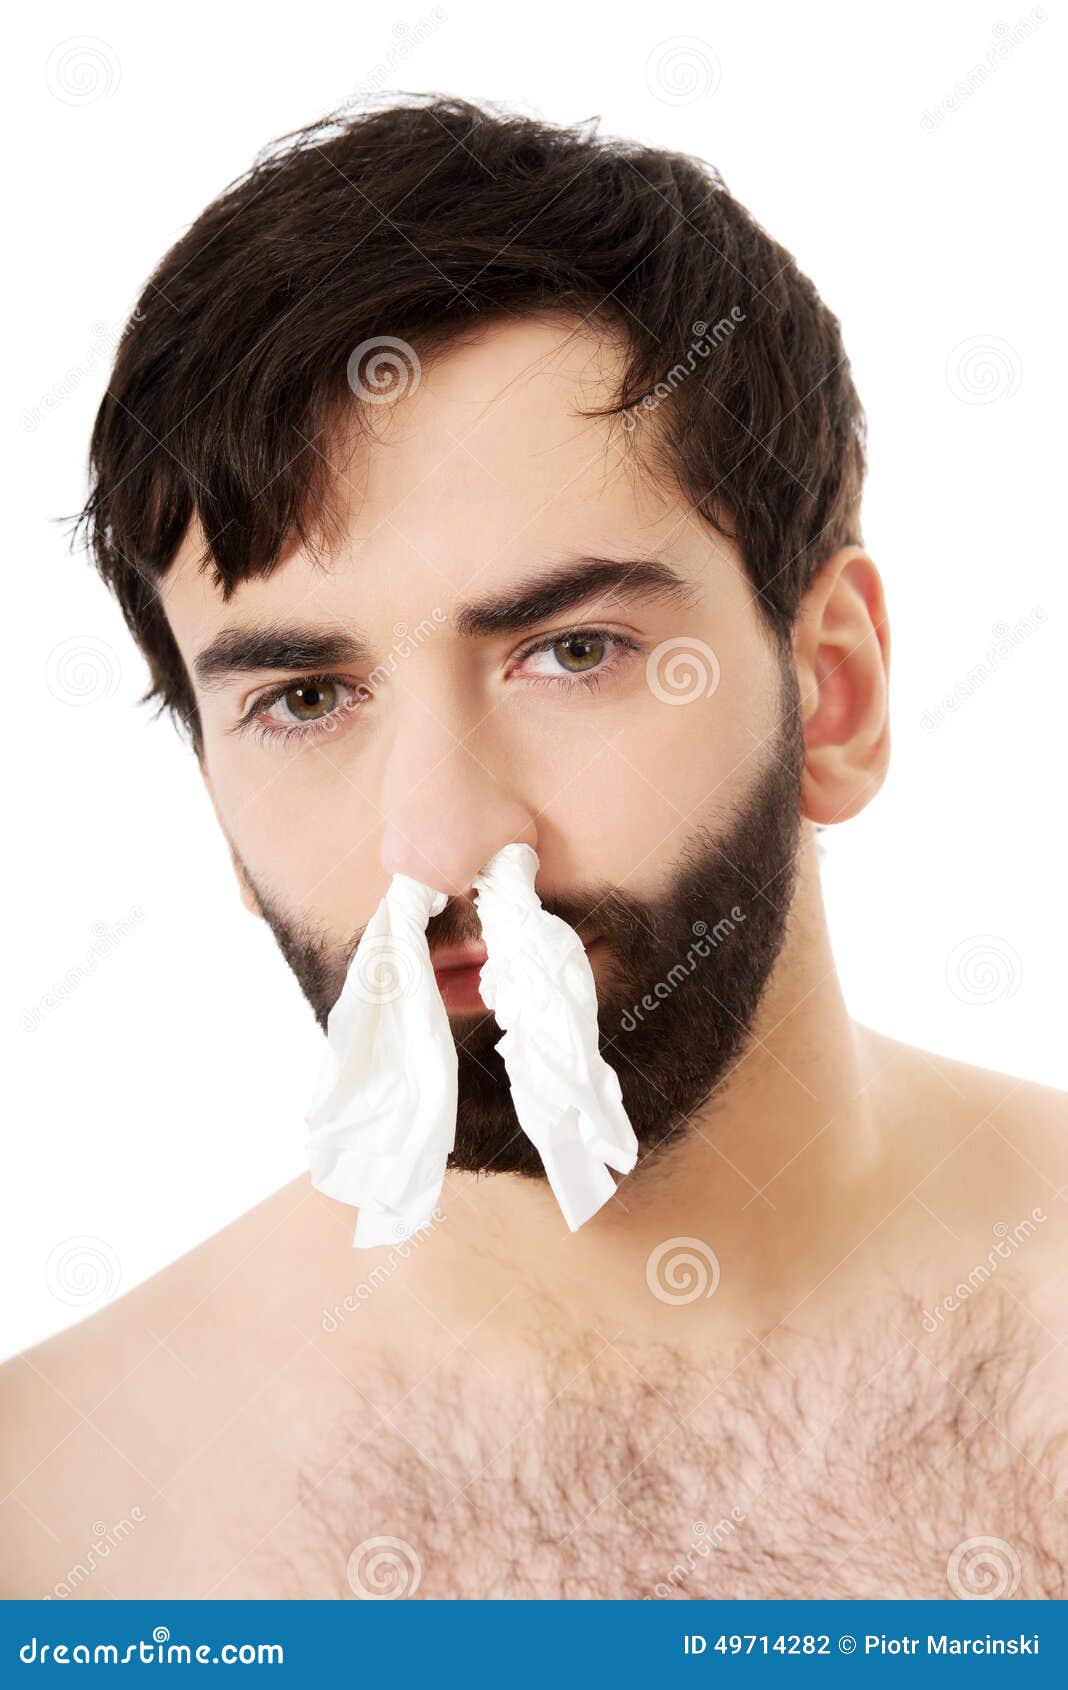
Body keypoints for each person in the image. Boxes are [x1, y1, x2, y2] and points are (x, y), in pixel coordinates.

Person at [3, 96, 1065, 1601]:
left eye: (573, 652)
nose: (437, 839)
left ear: (833, 689)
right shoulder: (55, 1522)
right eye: (306, 698)